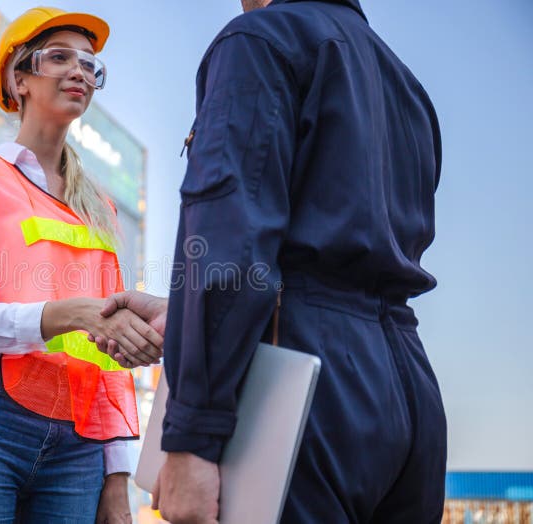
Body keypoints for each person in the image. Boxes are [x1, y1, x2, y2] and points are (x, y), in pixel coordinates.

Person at [94, 0, 447, 522]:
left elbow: (228, 247)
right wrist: (185, 319)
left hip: (302, 388)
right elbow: (341, 253)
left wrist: (193, 435)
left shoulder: (259, 40)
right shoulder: (406, 85)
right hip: (410, 394)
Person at [0, 7, 162, 523]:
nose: (80, 71)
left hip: (79, 445)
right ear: (19, 78)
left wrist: (117, 480)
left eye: (89, 64)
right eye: (59, 57)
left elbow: (111, 362)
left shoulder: (101, 207)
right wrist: (74, 313)